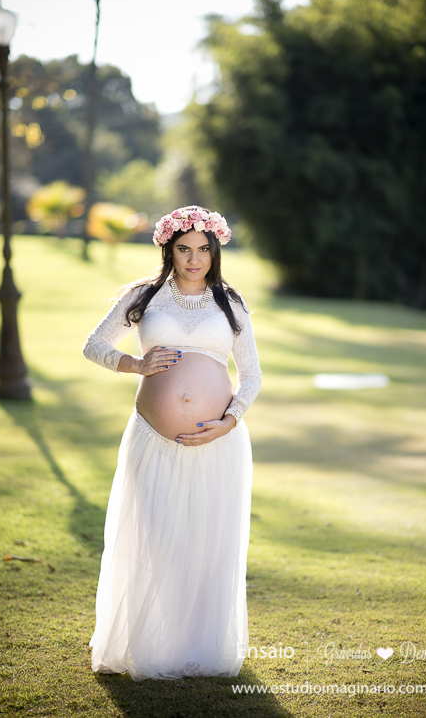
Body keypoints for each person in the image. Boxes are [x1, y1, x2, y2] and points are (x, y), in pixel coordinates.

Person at [82, 205, 262, 681]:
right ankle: (152, 644)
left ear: (215, 249)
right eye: (185, 249)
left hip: (217, 443)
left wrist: (230, 420)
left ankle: (200, 646)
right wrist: (135, 365)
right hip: (152, 439)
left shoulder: (230, 302)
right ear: (168, 248)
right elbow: (94, 345)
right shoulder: (145, 296)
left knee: (206, 544)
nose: (194, 258)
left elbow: (252, 375)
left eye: (204, 249)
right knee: (155, 538)